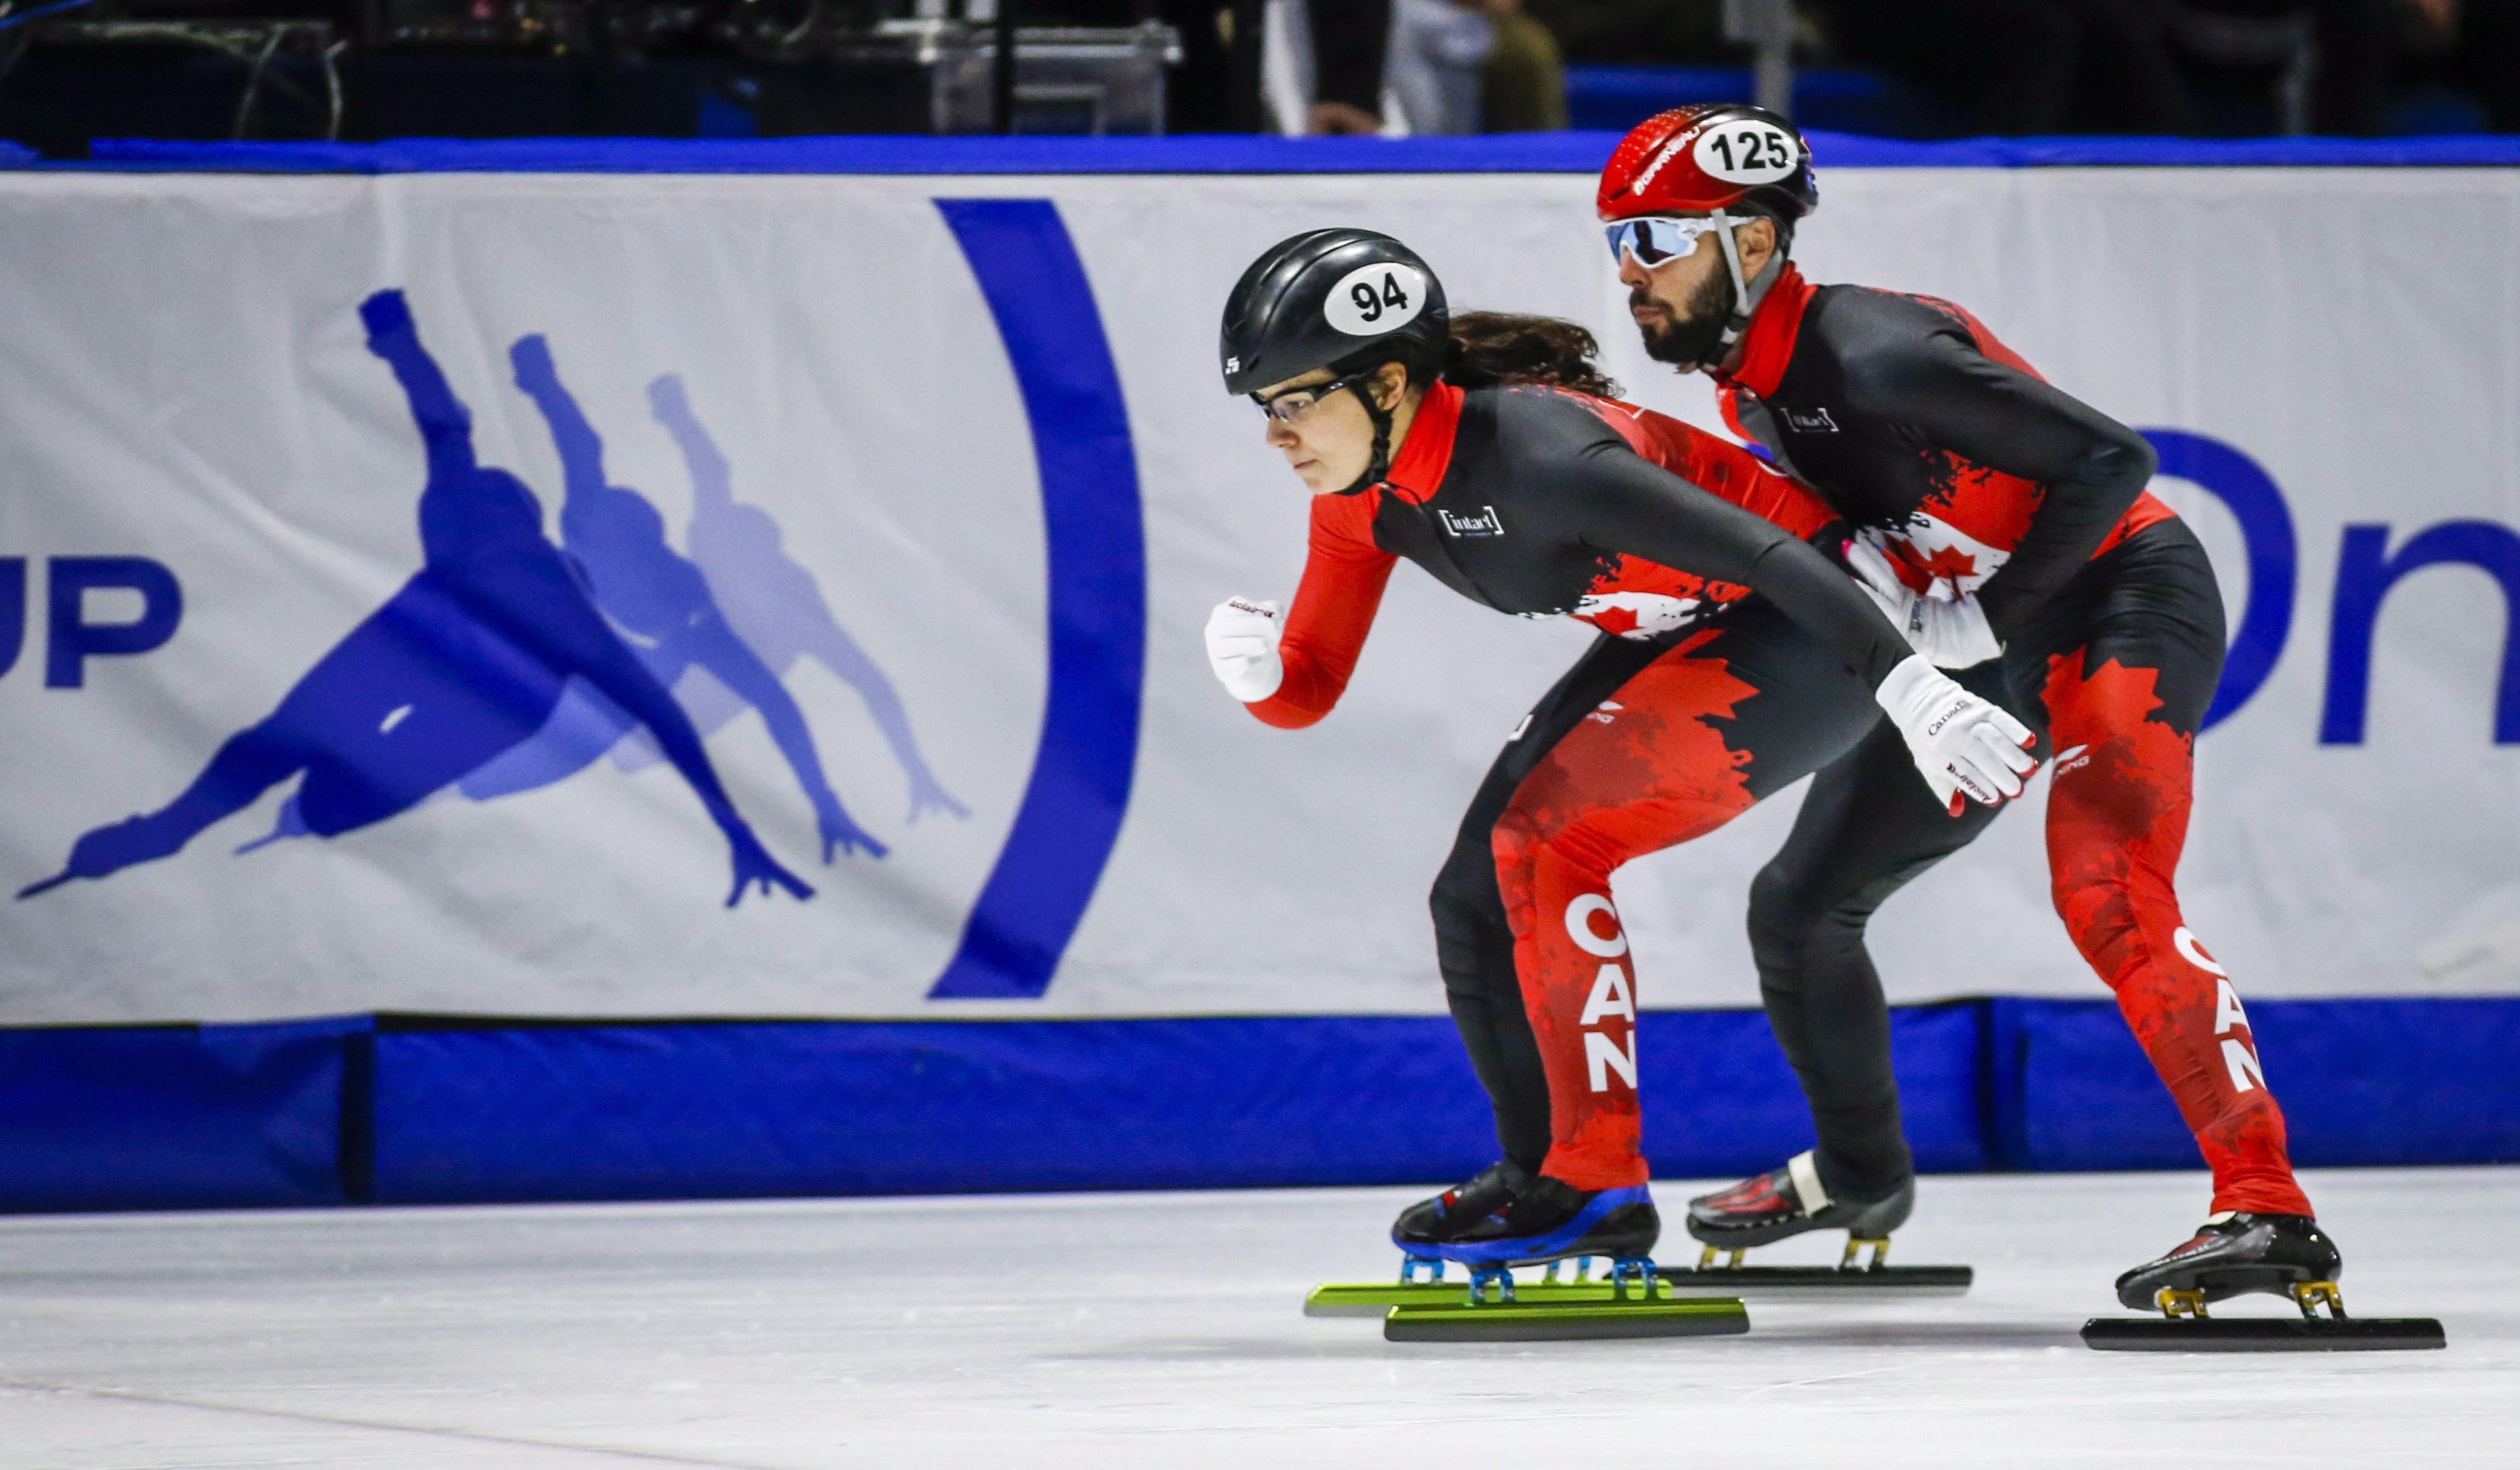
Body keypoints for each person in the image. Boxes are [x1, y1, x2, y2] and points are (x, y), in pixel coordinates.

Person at [1595, 103, 2339, 1309]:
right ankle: (1857, 1174)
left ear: (1752, 242)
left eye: (1655, 241)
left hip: (2118, 601)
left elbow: (2112, 461)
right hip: (1986, 628)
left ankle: (2266, 1204)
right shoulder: (1754, 388)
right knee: (1800, 904)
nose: (1630, 275)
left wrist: (1992, 618)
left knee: (2106, 883)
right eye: (1616, 243)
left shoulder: (1877, 351)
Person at [1204, 229, 2038, 1269]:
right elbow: (1310, 686)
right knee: (1470, 891)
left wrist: (1914, 691)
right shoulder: (1362, 502)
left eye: (1293, 399)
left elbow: (1774, 551)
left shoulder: (1542, 456)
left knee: (1548, 842)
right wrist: (1259, 678)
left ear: (1385, 383)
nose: (1277, 434)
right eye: (1262, 408)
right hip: (1688, 625)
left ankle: (1600, 1184)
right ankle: (1540, 1173)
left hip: (1815, 623)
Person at [18, 290, 810, 911]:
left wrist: (399, 340)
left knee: (298, 755)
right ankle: (212, 821)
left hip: (467, 666)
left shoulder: (494, 536)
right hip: (452, 654)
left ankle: (204, 821)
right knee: (307, 762)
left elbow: (444, 420)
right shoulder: (529, 572)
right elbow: (664, 721)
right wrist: (733, 828)